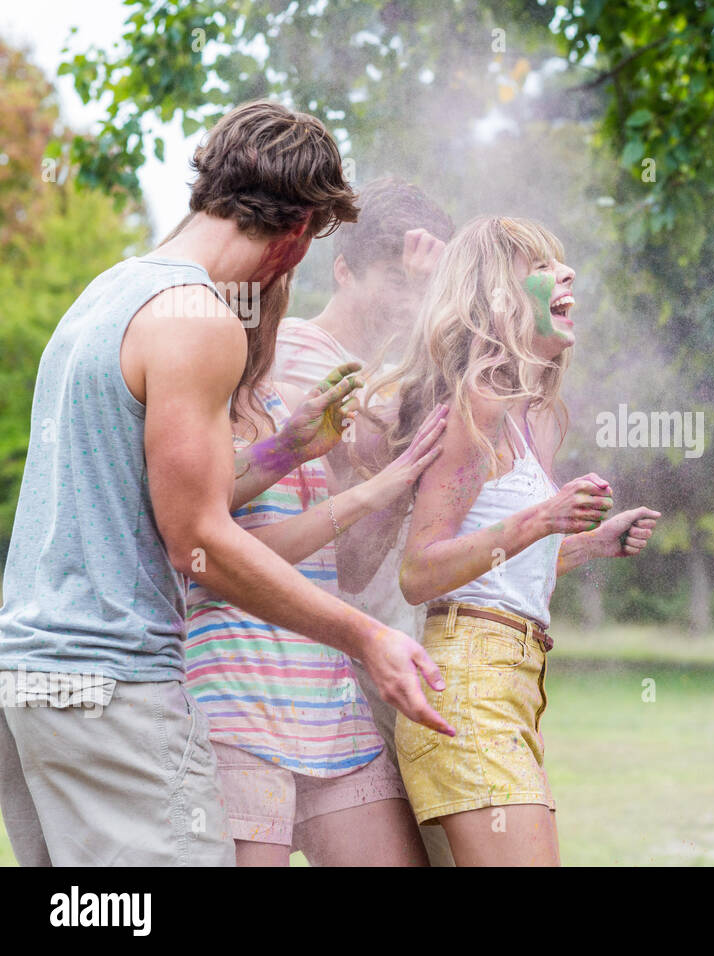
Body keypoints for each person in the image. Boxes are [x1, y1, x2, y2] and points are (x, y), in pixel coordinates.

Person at [0, 100, 450, 866]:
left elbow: (157, 496)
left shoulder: (107, 295)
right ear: (299, 232)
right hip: (117, 683)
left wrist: (281, 452)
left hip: (31, 684)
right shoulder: (197, 319)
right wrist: (365, 635)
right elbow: (197, 541)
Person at [367, 216, 660, 866]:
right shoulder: (474, 413)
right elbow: (419, 572)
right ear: (500, 295)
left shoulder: (523, 419)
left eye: (562, 261)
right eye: (541, 266)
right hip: (470, 685)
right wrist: (544, 518)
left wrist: (590, 543)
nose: (568, 274)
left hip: (511, 685)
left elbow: (497, 566)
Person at [185, 270, 450, 866]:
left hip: (331, 703)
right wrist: (374, 489)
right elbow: (219, 557)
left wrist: (374, 463)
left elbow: (340, 564)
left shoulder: (281, 402)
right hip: (239, 702)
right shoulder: (194, 407)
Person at [272, 176, 458, 865]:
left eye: (424, 285)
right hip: (324, 668)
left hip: (385, 653)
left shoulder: (404, 366)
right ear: (342, 269)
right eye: (396, 277)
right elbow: (350, 558)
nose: (412, 299)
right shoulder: (294, 355)